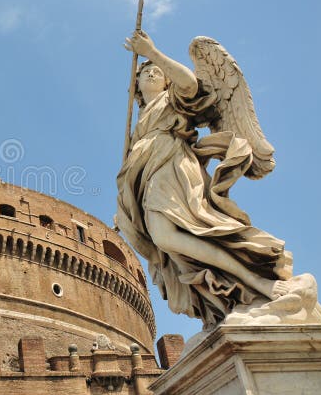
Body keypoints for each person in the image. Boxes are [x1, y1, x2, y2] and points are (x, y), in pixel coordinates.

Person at [116, 30, 291, 328]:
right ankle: (233, 293)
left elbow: (189, 83)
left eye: (157, 72)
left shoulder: (172, 98)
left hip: (172, 167)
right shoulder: (141, 119)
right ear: (135, 84)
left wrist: (153, 51)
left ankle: (256, 282)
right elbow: (131, 167)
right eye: (146, 72)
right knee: (170, 242)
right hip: (146, 178)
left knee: (166, 236)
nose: (152, 74)